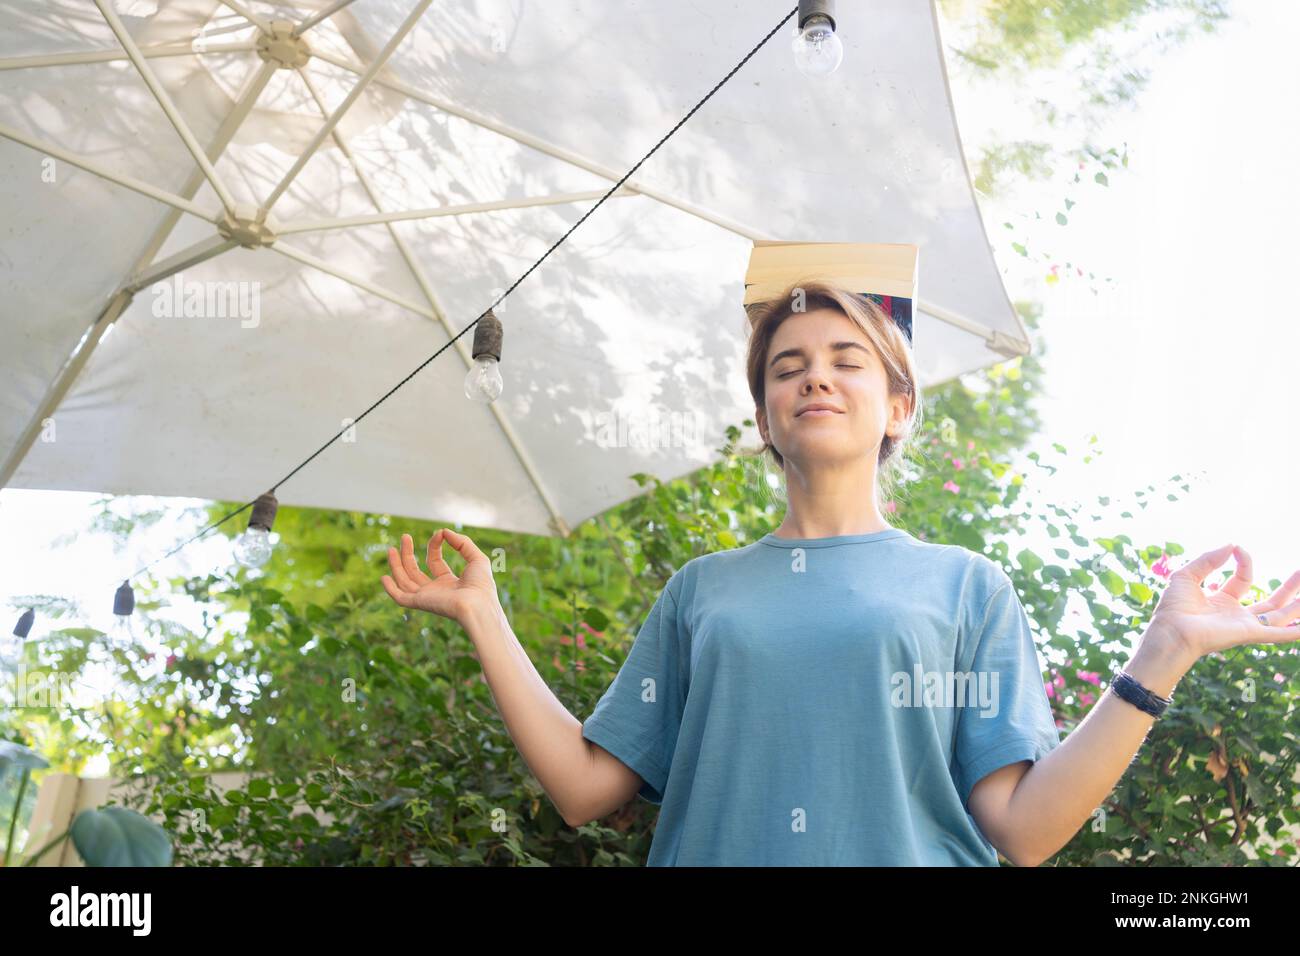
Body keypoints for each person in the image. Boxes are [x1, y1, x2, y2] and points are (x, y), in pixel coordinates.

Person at [380, 277, 1300, 866]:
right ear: (766, 420)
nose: (813, 378)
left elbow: (1023, 831)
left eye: (844, 361)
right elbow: (585, 792)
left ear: (897, 408)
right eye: (787, 369)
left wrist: (1164, 650)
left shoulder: (966, 587)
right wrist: (483, 615)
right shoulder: (703, 590)